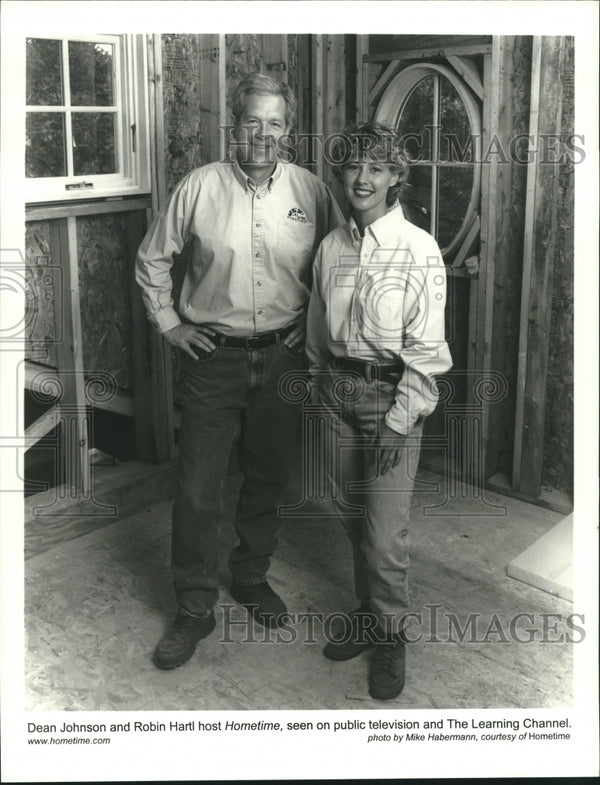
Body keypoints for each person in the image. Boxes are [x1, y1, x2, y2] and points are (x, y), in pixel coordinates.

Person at [136, 73, 343, 670]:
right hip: (214, 361)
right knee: (198, 487)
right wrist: (171, 323)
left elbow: (334, 266)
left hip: (285, 357)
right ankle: (194, 605)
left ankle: (250, 577)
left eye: (274, 122)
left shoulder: (310, 190)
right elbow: (153, 259)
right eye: (251, 120)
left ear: (288, 129)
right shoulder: (199, 187)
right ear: (234, 124)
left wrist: (321, 345)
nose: (262, 134)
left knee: (267, 477)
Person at [305, 121, 452, 700]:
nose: (362, 177)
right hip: (337, 396)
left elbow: (427, 350)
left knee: (384, 534)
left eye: (376, 167)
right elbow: (317, 322)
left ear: (395, 177)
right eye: (352, 166)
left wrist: (399, 419)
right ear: (341, 174)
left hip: (392, 402)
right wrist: (319, 383)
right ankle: (370, 615)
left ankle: (392, 635)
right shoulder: (332, 246)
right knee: (352, 521)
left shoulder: (418, 249)